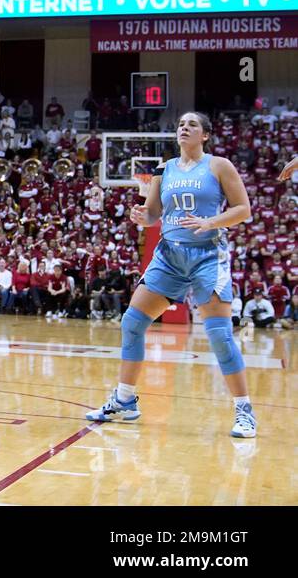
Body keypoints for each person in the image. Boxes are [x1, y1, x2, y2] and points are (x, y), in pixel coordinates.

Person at [86, 112, 257, 438]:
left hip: (208, 254)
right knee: (132, 323)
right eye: (180, 124)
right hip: (169, 256)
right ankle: (125, 399)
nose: (184, 128)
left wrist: (210, 222)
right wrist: (141, 216)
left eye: (192, 125)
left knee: (220, 336)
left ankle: (244, 410)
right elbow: (153, 214)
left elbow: (243, 209)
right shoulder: (164, 169)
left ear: (205, 135)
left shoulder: (219, 165)